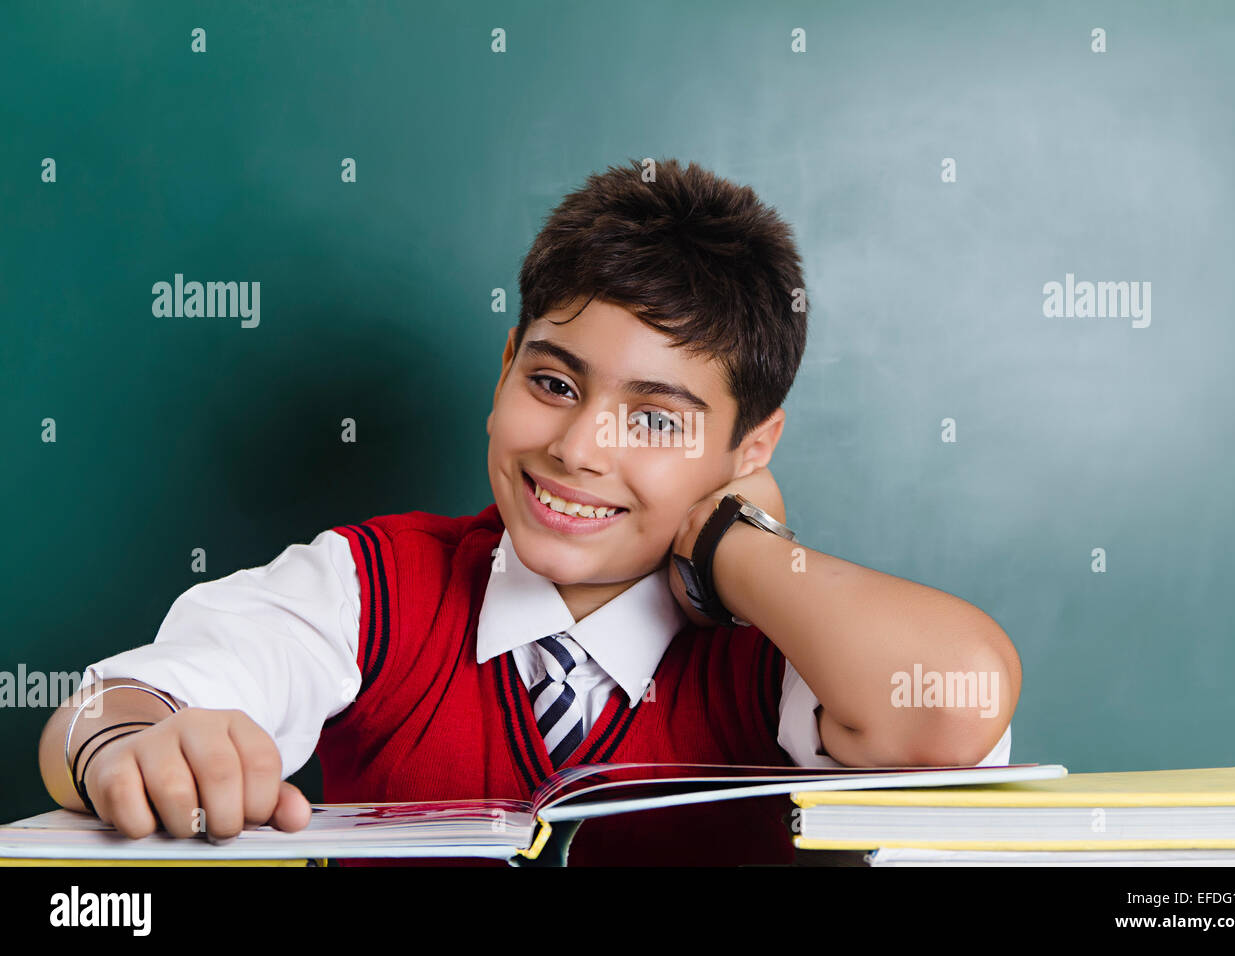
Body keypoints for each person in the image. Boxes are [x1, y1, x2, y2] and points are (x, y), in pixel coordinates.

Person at [38, 158, 1020, 865]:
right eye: (553, 382)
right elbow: (98, 701)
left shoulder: (788, 649)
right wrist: (128, 740)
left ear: (750, 448)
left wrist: (738, 548)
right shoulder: (366, 586)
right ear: (508, 365)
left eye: (654, 417)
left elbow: (956, 707)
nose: (580, 445)